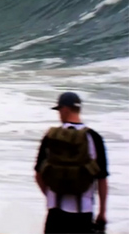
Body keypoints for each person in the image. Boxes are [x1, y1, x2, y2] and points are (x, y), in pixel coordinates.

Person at [35, 92, 108, 234]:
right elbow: (102, 179)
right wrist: (102, 212)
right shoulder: (94, 138)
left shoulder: (50, 137)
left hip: (55, 212)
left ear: (65, 109)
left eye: (59, 110)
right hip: (83, 212)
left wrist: (51, 197)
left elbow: (38, 175)